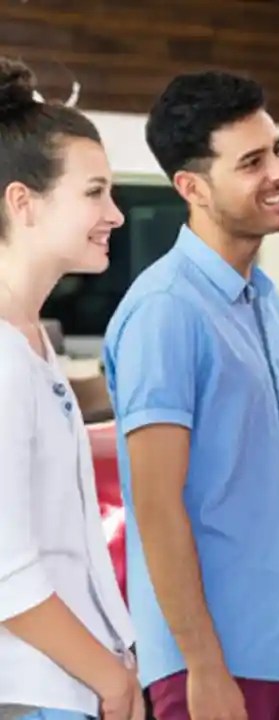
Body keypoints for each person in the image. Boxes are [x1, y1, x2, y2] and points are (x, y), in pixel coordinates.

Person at [101, 71, 279, 720]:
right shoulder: (164, 311)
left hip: (276, 649)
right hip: (209, 667)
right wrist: (204, 666)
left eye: (277, 150)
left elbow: (266, 494)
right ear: (192, 188)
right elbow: (157, 508)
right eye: (251, 162)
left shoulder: (264, 300)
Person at [0, 59, 142, 720]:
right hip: (31, 691)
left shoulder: (31, 339)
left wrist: (119, 655)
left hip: (68, 682)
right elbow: (5, 568)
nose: (115, 214)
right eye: (94, 192)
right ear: (22, 202)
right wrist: (110, 678)